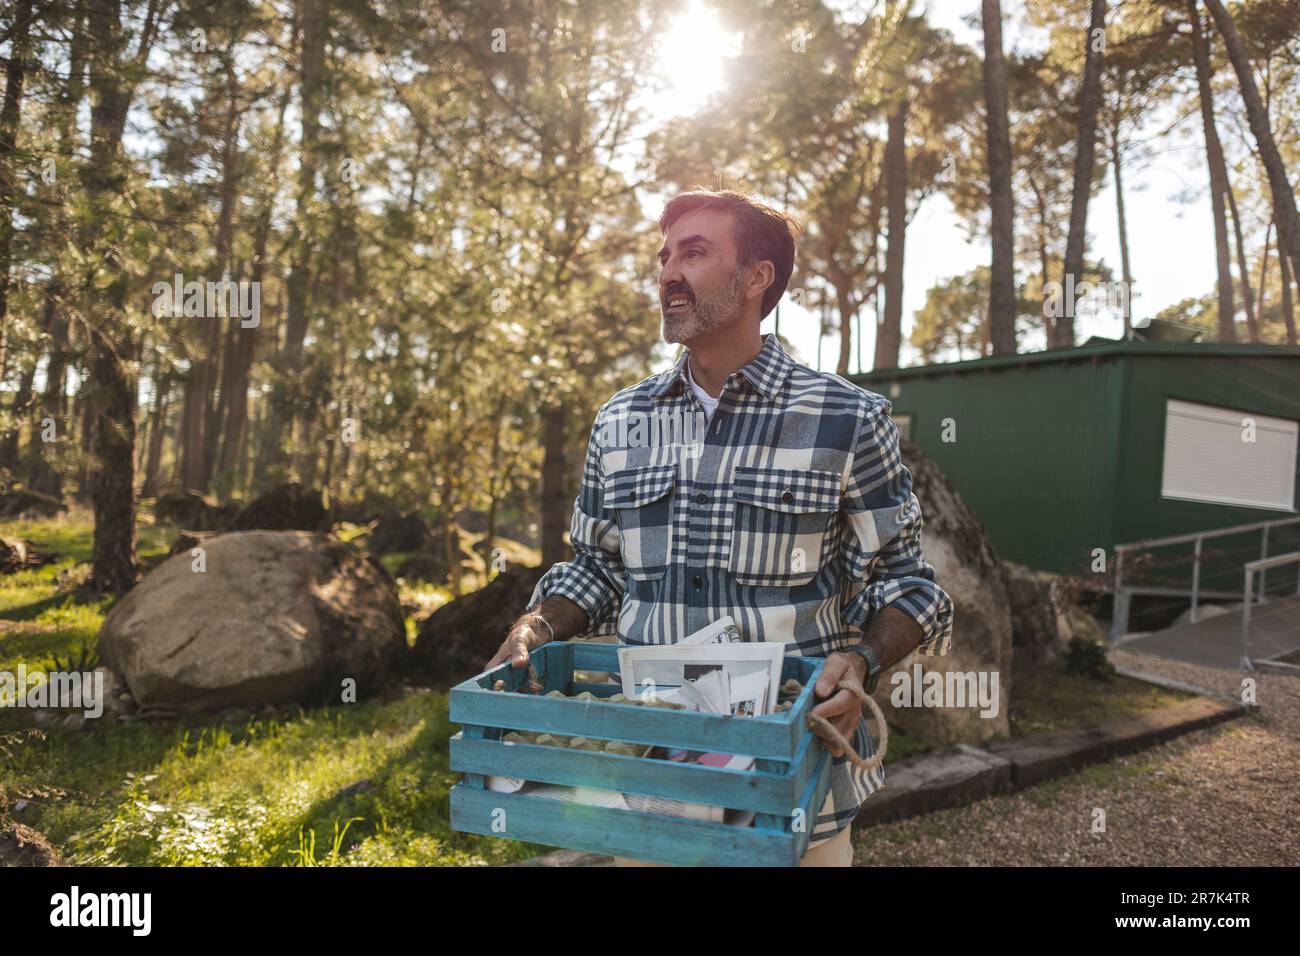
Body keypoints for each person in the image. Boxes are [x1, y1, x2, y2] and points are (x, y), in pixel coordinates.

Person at [485, 188, 954, 866]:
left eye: (695, 253)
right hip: (654, 776)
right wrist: (535, 626)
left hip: (794, 779)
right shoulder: (620, 421)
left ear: (757, 277)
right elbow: (596, 568)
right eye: (664, 256)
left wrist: (862, 663)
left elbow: (908, 586)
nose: (669, 272)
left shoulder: (847, 419)